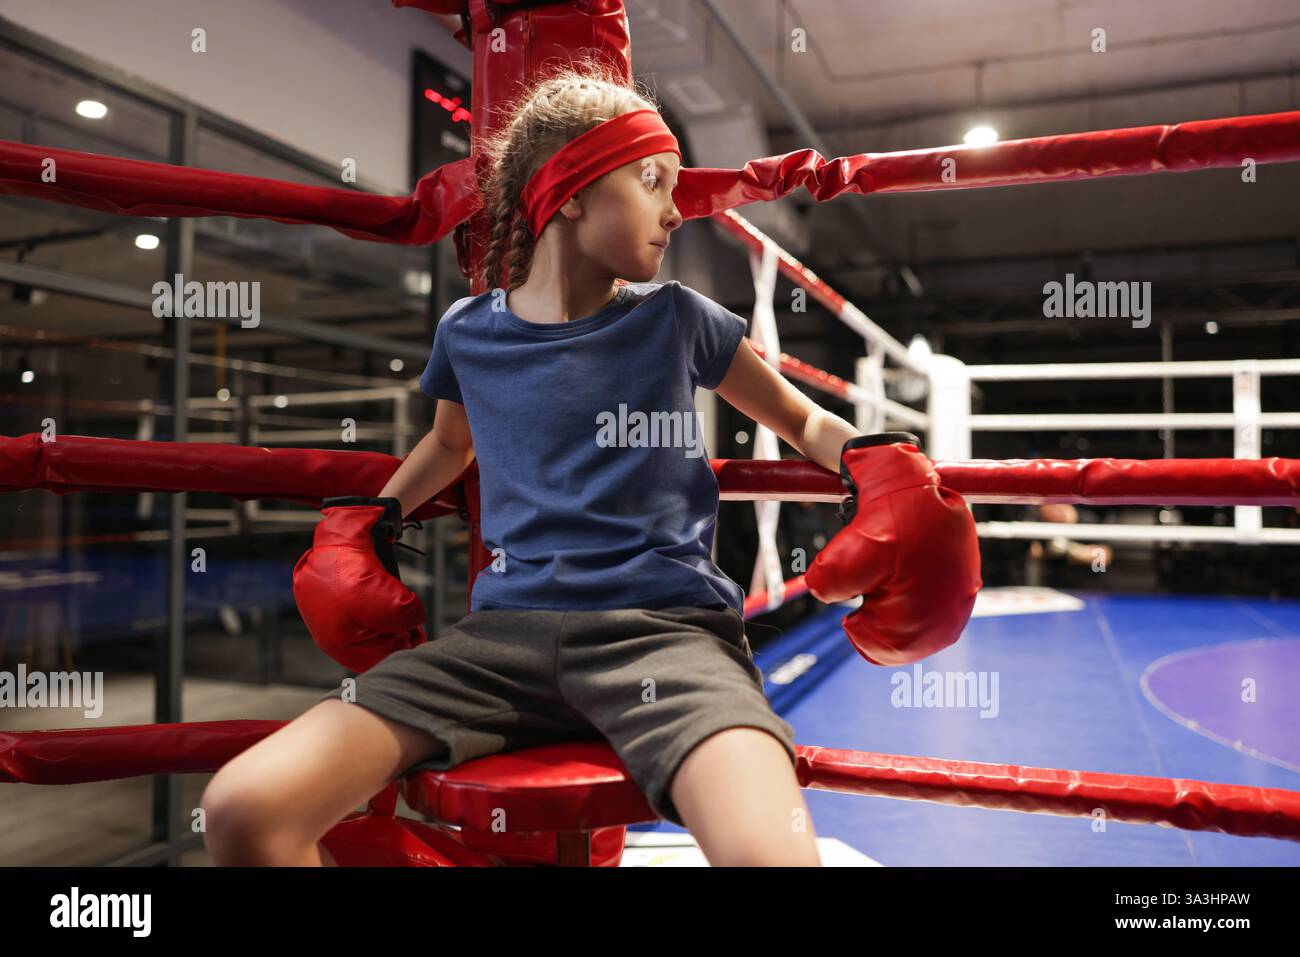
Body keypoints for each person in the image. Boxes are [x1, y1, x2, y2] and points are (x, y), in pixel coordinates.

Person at [201, 65, 870, 868]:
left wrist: (884, 464)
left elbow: (800, 417)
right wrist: (363, 522)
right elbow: (451, 445)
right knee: (243, 809)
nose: (674, 210)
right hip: (499, 646)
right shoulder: (469, 332)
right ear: (572, 192)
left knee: (774, 854)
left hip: (664, 637)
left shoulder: (679, 320)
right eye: (652, 181)